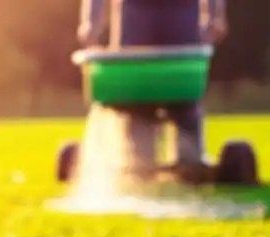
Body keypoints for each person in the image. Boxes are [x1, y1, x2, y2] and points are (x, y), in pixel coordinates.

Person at [77, 0, 227, 174]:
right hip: (135, 11)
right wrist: (91, 20)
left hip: (182, 11)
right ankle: (139, 157)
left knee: (182, 89)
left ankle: (190, 157)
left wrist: (215, 14)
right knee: (137, 93)